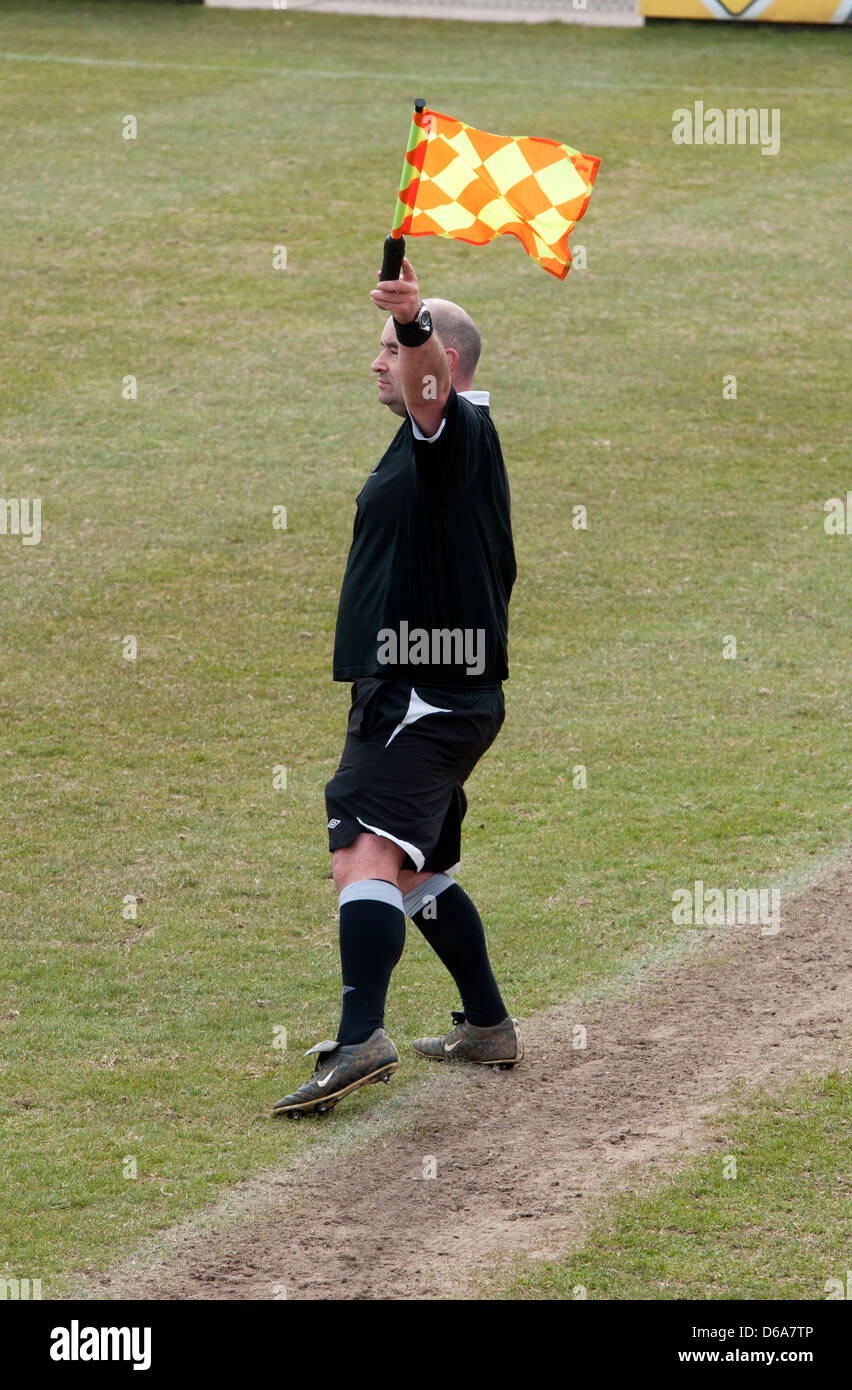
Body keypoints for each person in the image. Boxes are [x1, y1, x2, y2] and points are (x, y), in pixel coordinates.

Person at [272, 257, 522, 1118]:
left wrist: (413, 320)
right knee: (418, 873)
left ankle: (360, 1038)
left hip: (423, 690)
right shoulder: (443, 443)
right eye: (382, 346)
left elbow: (426, 394)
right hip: (439, 687)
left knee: (365, 857)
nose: (378, 361)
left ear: (439, 368)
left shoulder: (448, 434)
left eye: (392, 349)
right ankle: (486, 1026)